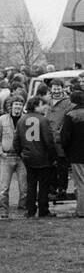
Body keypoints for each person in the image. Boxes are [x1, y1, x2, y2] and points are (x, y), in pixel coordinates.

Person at [16, 96, 56, 218]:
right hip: (43, 157)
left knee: (31, 184)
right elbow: (48, 140)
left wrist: (21, 154)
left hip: (28, 157)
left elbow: (16, 141)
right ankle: (43, 210)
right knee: (44, 185)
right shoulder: (43, 120)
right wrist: (53, 156)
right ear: (36, 105)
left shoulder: (21, 120)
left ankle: (30, 210)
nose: (44, 107)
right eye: (42, 104)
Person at [0, 97, 27, 218]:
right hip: (6, 157)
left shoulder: (26, 119)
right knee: (4, 187)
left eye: (20, 104)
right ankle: (4, 210)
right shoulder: (3, 119)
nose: (17, 107)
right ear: (10, 106)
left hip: (22, 157)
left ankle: (23, 209)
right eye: (15, 104)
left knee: (24, 187)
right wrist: (0, 151)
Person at [60, 89, 84, 218]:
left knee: (80, 183)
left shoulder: (71, 115)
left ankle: (81, 210)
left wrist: (65, 150)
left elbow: (65, 137)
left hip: (77, 154)